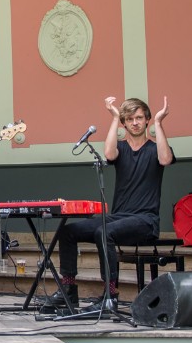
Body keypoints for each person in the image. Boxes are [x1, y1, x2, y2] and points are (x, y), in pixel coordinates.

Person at [48, 96, 174, 312]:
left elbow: (165, 159)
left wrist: (160, 124)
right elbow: (109, 153)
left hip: (146, 220)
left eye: (139, 118)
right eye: (130, 119)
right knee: (67, 231)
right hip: (120, 217)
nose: (135, 122)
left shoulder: (155, 149)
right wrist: (115, 117)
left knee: (103, 232)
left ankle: (110, 295)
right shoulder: (121, 149)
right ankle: (68, 290)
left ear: (146, 121)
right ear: (124, 124)